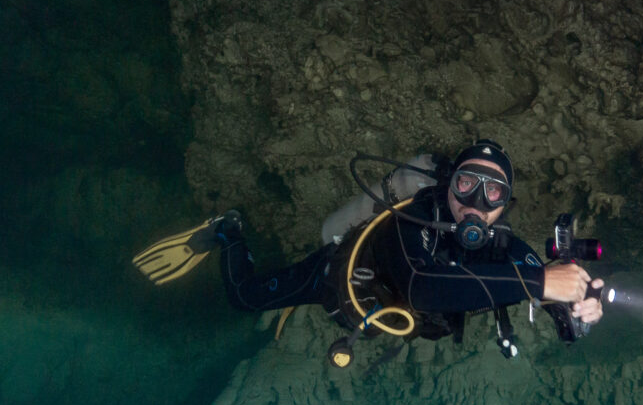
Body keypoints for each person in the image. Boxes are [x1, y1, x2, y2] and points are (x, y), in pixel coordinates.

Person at [132, 140, 603, 357]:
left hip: (381, 316)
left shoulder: (507, 248)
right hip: (336, 280)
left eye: (493, 192)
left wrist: (575, 308)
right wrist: (539, 281)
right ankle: (229, 232)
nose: (475, 204)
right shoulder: (414, 215)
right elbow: (421, 285)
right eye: (466, 183)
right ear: (448, 185)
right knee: (244, 299)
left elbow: (537, 278)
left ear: (506, 205)